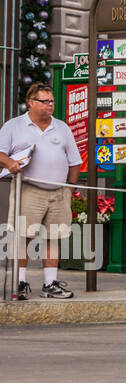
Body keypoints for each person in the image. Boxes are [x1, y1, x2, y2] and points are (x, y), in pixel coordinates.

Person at [0, 83, 83, 299]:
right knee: (23, 236)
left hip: (58, 191)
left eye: (52, 101)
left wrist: (70, 187)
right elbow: (0, 153)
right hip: (29, 188)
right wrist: (10, 163)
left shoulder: (62, 127)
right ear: (31, 102)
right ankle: (19, 283)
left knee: (53, 237)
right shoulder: (14, 126)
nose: (50, 105)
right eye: (45, 101)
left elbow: (75, 161)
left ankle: (50, 284)